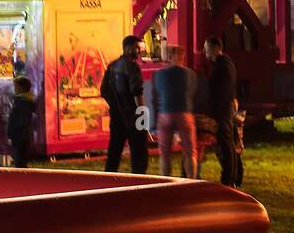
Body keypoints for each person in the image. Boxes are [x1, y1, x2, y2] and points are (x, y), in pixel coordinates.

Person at [101, 35, 148, 174]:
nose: (140, 51)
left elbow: (104, 90)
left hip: (116, 116)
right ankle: (139, 181)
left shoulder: (112, 66)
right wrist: (142, 115)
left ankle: (108, 179)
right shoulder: (132, 67)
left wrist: (115, 105)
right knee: (139, 152)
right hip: (133, 116)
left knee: (114, 151)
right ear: (128, 48)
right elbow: (137, 92)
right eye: (137, 48)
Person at [151, 47, 199, 177]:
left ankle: (165, 183)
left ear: (170, 56)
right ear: (182, 57)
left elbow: (155, 96)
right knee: (190, 152)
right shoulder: (190, 74)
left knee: (165, 153)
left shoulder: (159, 74)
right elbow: (193, 93)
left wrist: (155, 120)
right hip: (185, 113)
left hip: (165, 114)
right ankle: (191, 181)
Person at [204, 35, 240, 186]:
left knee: (226, 144)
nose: (204, 51)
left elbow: (218, 90)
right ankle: (235, 176)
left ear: (215, 48)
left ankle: (228, 179)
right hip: (226, 107)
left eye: (206, 48)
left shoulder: (221, 67)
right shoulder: (227, 63)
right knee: (229, 143)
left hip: (222, 109)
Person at [7, 75, 36, 168]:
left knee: (20, 162)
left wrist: (12, 132)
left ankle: (23, 180)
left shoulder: (22, 102)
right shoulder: (25, 100)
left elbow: (19, 120)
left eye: (15, 87)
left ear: (20, 88)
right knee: (20, 161)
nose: (14, 89)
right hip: (23, 136)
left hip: (20, 136)